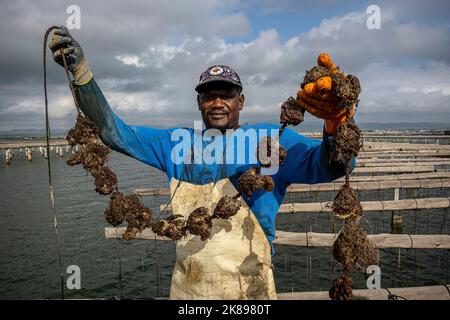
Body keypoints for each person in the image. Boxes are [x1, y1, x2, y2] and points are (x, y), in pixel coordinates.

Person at [49, 26, 357, 300]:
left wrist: (336, 124)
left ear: (242, 101)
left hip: (251, 290)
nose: (218, 102)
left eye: (227, 94)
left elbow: (326, 166)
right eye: (209, 96)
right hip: (188, 289)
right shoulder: (177, 144)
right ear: (199, 102)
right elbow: (117, 134)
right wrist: (82, 75)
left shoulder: (271, 140)